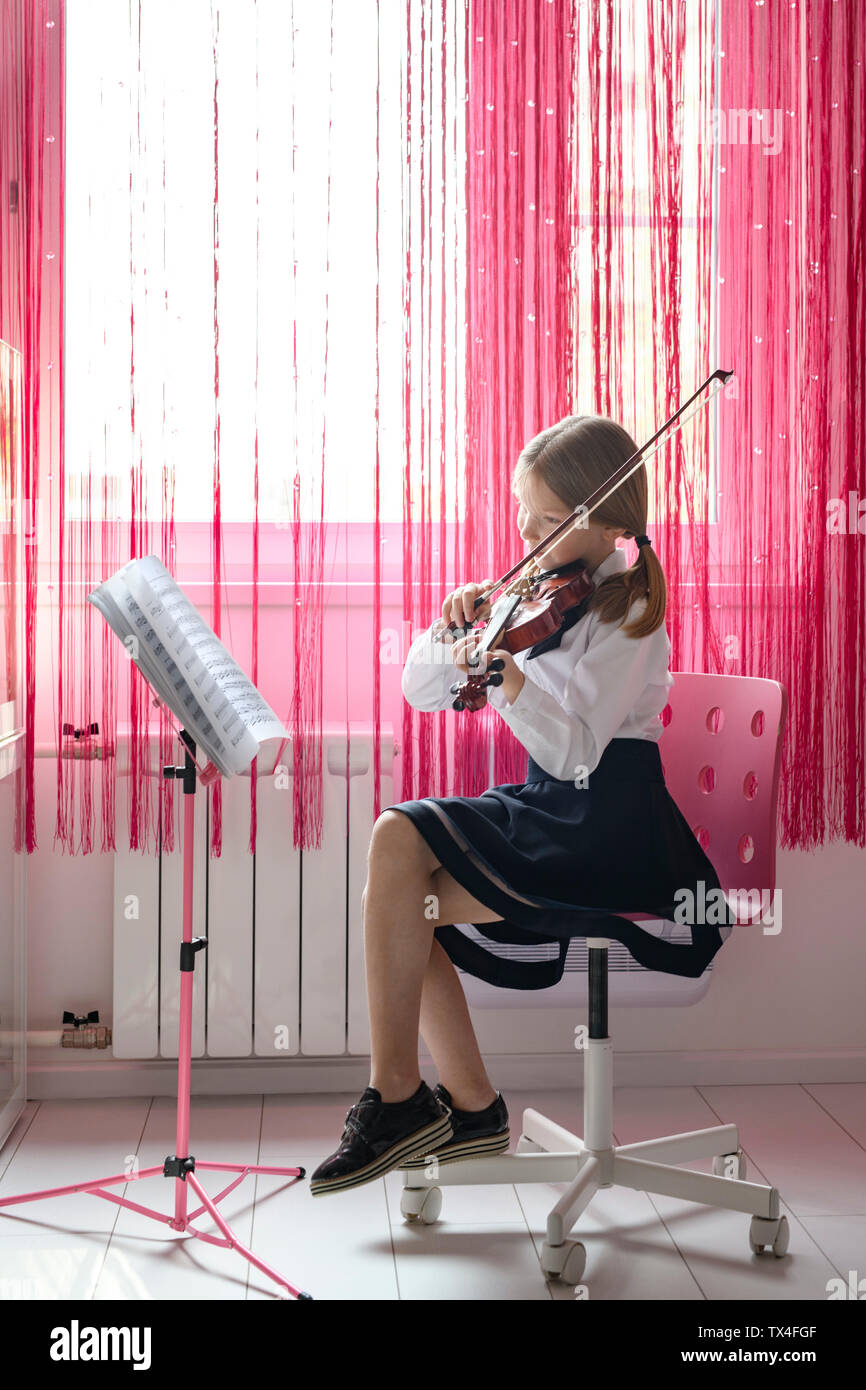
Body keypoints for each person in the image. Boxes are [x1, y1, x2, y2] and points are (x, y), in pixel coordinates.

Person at [309, 413, 730, 1197]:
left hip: (611, 826)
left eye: (542, 518)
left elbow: (575, 752)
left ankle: (423, 1104)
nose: (523, 531)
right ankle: (451, 1107)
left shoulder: (626, 616)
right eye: (521, 510)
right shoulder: (545, 599)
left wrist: (508, 679)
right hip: (549, 808)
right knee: (396, 872)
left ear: (606, 523)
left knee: (397, 880)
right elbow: (421, 691)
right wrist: (449, 630)